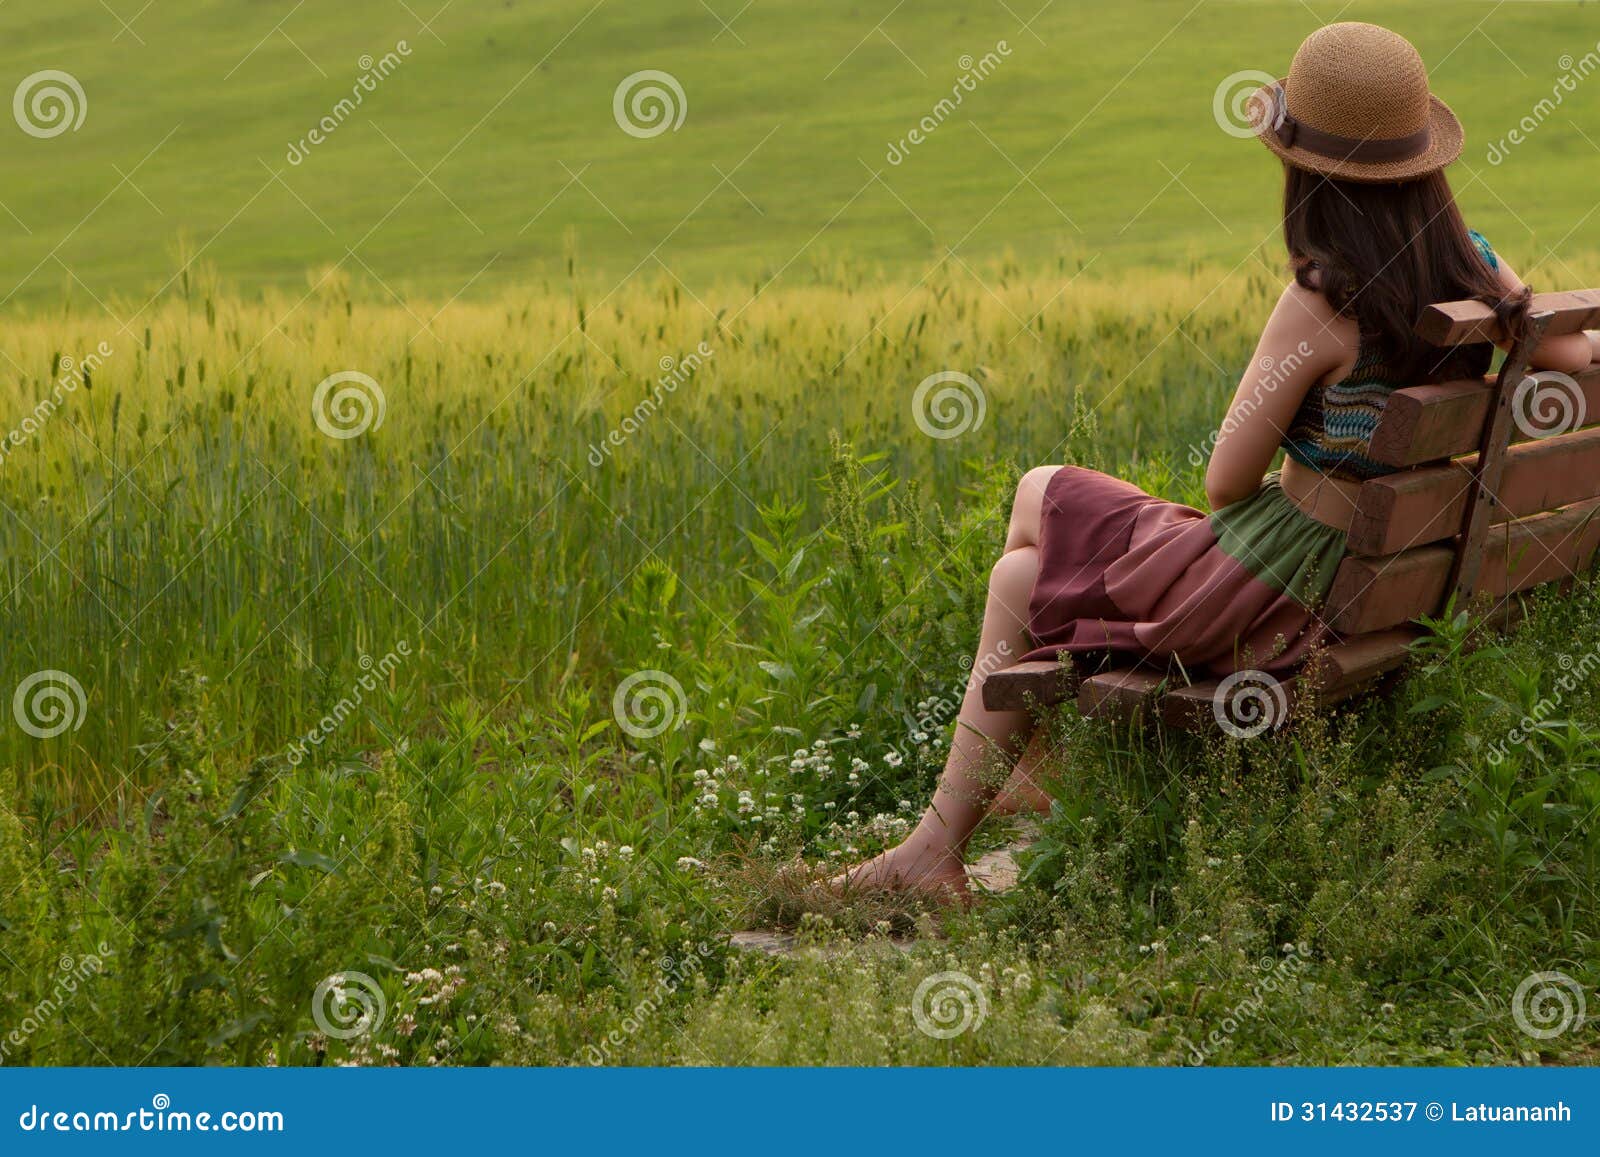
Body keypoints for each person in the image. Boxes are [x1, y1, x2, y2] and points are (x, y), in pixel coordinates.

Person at [838, 21, 1600, 898]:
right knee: (1029, 549)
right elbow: (1573, 353)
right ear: (1423, 164)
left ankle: (941, 845)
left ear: (1304, 173)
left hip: (1286, 587)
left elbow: (1226, 483)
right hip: (1389, 583)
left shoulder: (1320, 300)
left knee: (1033, 518)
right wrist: (1512, 312)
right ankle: (978, 815)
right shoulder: (1475, 272)